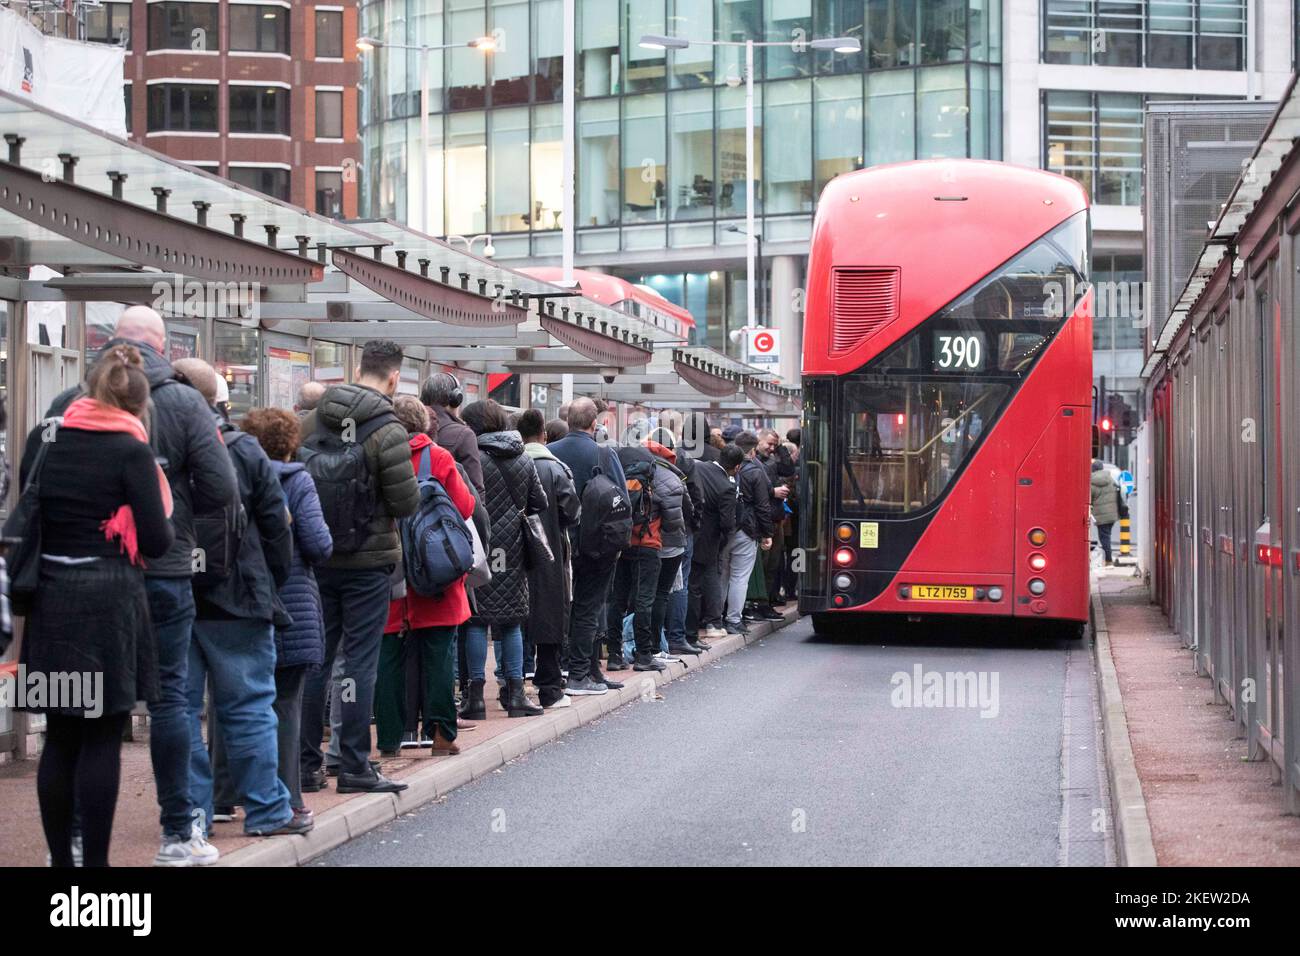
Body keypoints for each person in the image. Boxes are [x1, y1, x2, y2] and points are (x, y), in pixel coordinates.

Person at [43, 306, 237, 867]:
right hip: (163, 573)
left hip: (73, 579)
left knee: (74, 710)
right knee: (170, 699)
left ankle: (74, 842)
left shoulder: (67, 404)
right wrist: (173, 520)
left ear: (111, 344)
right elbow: (222, 488)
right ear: (159, 346)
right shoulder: (182, 401)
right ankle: (178, 833)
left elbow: (40, 491)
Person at [19, 345, 174, 868]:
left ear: (89, 389)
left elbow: (30, 502)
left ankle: (61, 861)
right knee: (102, 732)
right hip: (110, 604)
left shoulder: (49, 439)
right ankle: (95, 872)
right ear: (137, 404)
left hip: (52, 598)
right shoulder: (131, 452)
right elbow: (156, 540)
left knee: (60, 733)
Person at [173, 359, 302, 838]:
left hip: (173, 595)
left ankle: (191, 817)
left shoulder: (153, 442)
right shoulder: (243, 448)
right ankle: (268, 812)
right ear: (218, 401)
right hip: (238, 596)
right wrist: (269, 581)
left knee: (180, 710)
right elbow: (277, 527)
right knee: (248, 704)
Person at [299, 340, 419, 795]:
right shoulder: (388, 430)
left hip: (318, 558)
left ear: (355, 369)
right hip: (369, 565)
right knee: (359, 664)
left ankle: (305, 764)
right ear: (393, 378)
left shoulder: (309, 421)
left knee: (315, 659)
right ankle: (353, 766)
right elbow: (405, 503)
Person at [239, 406, 333, 826]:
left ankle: (226, 796)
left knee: (237, 703)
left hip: (239, 602)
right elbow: (319, 544)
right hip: (292, 603)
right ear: (291, 442)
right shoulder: (297, 480)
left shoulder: (232, 476)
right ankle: (289, 797)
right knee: (285, 706)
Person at [376, 396, 478, 755]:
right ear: (424, 424)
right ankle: (442, 735)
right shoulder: (438, 457)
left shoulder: (375, 456)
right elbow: (465, 507)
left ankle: (389, 740)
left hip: (390, 573)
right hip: (436, 575)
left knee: (388, 659)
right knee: (439, 657)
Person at [458, 400, 547, 719]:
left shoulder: (471, 457)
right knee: (511, 622)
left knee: (476, 623)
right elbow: (540, 501)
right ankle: (516, 695)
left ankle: (476, 699)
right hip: (514, 548)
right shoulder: (522, 457)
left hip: (480, 546)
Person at [548, 397, 628, 696]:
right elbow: (622, 500)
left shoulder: (549, 452)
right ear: (595, 424)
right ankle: (581, 673)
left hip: (560, 541)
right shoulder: (604, 454)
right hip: (598, 543)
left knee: (569, 606)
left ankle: (587, 670)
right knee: (590, 606)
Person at [517, 409, 581, 708]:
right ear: (543, 435)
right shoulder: (555, 469)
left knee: (511, 619)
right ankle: (549, 687)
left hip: (509, 552)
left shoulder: (507, 462)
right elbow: (571, 512)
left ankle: (512, 686)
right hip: (549, 549)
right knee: (550, 613)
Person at [607, 444, 667, 672]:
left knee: (617, 600)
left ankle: (614, 654)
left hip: (621, 547)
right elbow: (672, 521)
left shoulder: (618, 485)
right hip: (647, 547)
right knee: (644, 601)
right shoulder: (651, 489)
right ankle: (644, 654)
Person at [643, 435, 698, 657]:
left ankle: (641, 645)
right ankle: (663, 643)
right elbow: (685, 511)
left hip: (640, 540)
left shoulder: (637, 469)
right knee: (665, 593)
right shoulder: (674, 477)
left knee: (642, 595)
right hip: (669, 544)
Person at [686, 445, 742, 642]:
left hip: (690, 533)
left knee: (690, 583)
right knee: (706, 581)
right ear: (736, 467)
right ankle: (710, 624)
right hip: (710, 539)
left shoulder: (699, 467)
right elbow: (728, 522)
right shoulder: (727, 487)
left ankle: (695, 627)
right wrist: (725, 540)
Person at [720, 432, 774, 635]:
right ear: (752, 450)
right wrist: (767, 533)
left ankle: (716, 620)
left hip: (725, 528)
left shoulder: (720, 469)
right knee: (739, 577)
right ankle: (734, 619)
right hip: (747, 529)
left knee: (722, 576)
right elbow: (762, 506)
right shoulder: (755, 472)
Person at [420, 372, 484, 494]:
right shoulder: (464, 435)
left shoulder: (408, 428)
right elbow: (475, 490)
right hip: (449, 511)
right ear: (456, 399)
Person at [754, 428, 793, 619]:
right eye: (768, 444)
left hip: (776, 518)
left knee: (773, 565)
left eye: (774, 445)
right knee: (764, 564)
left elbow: (788, 469)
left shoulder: (772, 461)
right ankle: (759, 604)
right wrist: (773, 492)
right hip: (764, 520)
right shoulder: (754, 463)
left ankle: (767, 602)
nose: (771, 448)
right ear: (758, 441)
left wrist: (781, 448)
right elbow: (756, 491)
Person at [1090, 459, 1120, 566]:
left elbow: (1089, 499)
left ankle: (1108, 560)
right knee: (1107, 536)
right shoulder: (1110, 479)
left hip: (1101, 516)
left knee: (1104, 538)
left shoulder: (1092, 482)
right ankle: (1107, 559)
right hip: (1112, 514)